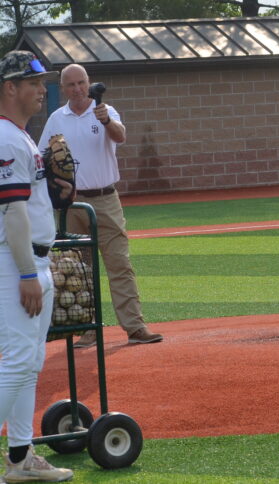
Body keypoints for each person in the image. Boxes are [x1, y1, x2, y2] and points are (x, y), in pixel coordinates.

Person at [38, 63, 163, 347]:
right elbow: (41, 157)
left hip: (106, 199)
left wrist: (106, 120)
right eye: (70, 85)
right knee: (81, 271)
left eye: (81, 83)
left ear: (88, 82)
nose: (77, 89)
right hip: (72, 204)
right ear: (64, 88)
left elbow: (120, 136)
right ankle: (90, 329)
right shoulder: (57, 118)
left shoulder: (105, 110)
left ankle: (135, 327)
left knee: (119, 263)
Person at [0, 50, 74, 482]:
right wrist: (28, 273)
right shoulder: (7, 138)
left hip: (28, 260)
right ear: (10, 87)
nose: (41, 90)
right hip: (15, 263)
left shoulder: (20, 136)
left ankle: (19, 459)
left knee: (28, 364)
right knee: (18, 361)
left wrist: (57, 191)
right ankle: (18, 459)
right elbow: (12, 213)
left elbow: (28, 201)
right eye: (33, 83)